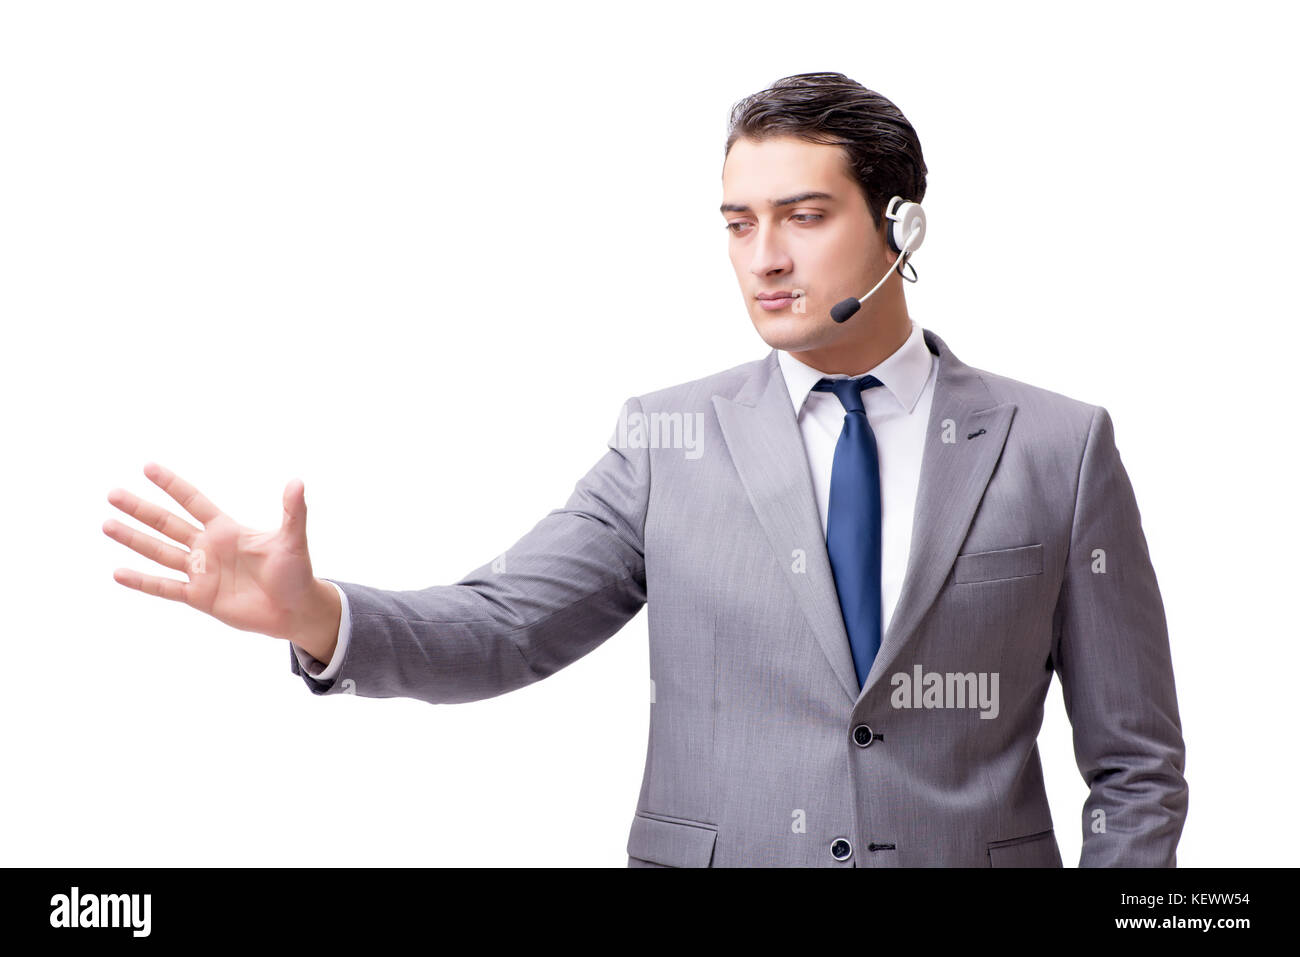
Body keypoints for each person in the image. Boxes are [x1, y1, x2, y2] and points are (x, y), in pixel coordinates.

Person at [104, 71, 1188, 867]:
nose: (764, 258)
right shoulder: (667, 442)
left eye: (804, 218)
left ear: (901, 226)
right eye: (738, 223)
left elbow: (1135, 764)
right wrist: (320, 616)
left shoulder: (1057, 445)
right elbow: (503, 629)